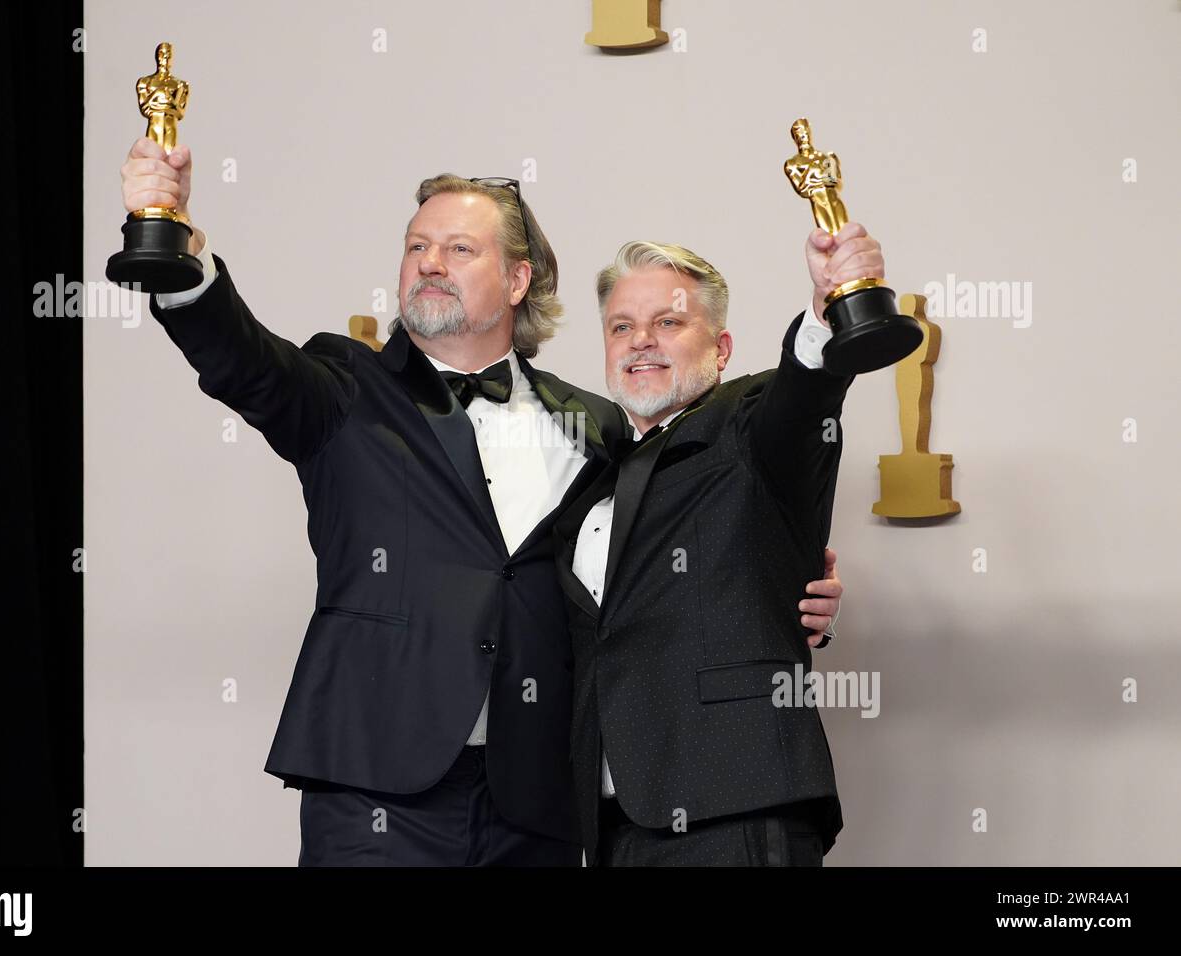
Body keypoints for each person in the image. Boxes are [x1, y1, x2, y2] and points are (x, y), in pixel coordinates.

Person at [119, 137, 843, 865]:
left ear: (519, 278)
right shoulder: (344, 389)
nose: (430, 262)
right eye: (417, 247)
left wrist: (792, 582)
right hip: (376, 792)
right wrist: (177, 252)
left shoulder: (601, 423)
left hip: (541, 802)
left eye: (459, 248)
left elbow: (690, 535)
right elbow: (244, 362)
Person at [555, 227, 877, 865]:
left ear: (721, 347)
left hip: (735, 805)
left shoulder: (749, 421)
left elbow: (804, 397)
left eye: (668, 320)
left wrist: (824, 310)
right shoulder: (590, 481)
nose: (641, 339)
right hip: (614, 823)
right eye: (621, 327)